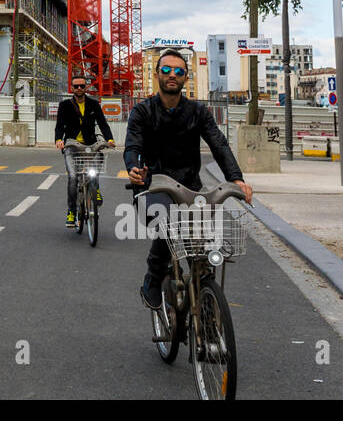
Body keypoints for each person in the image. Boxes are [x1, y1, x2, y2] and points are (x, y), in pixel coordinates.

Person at [124, 49, 253, 308]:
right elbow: (133, 147)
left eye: (179, 71)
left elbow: (219, 144)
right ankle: (154, 274)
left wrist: (236, 179)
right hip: (153, 188)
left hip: (190, 188)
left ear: (186, 78)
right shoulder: (142, 111)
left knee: (202, 242)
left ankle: (203, 290)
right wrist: (134, 168)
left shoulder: (198, 112)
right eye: (167, 70)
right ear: (157, 74)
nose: (173, 75)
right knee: (167, 219)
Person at [54, 76, 115, 228]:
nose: (79, 89)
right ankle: (71, 212)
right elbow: (60, 126)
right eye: (76, 86)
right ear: (72, 88)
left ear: (86, 87)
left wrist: (110, 139)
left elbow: (103, 124)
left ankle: (95, 187)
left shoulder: (94, 104)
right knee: (73, 177)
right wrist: (58, 140)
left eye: (82, 86)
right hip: (72, 145)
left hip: (90, 144)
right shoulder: (65, 105)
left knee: (95, 168)